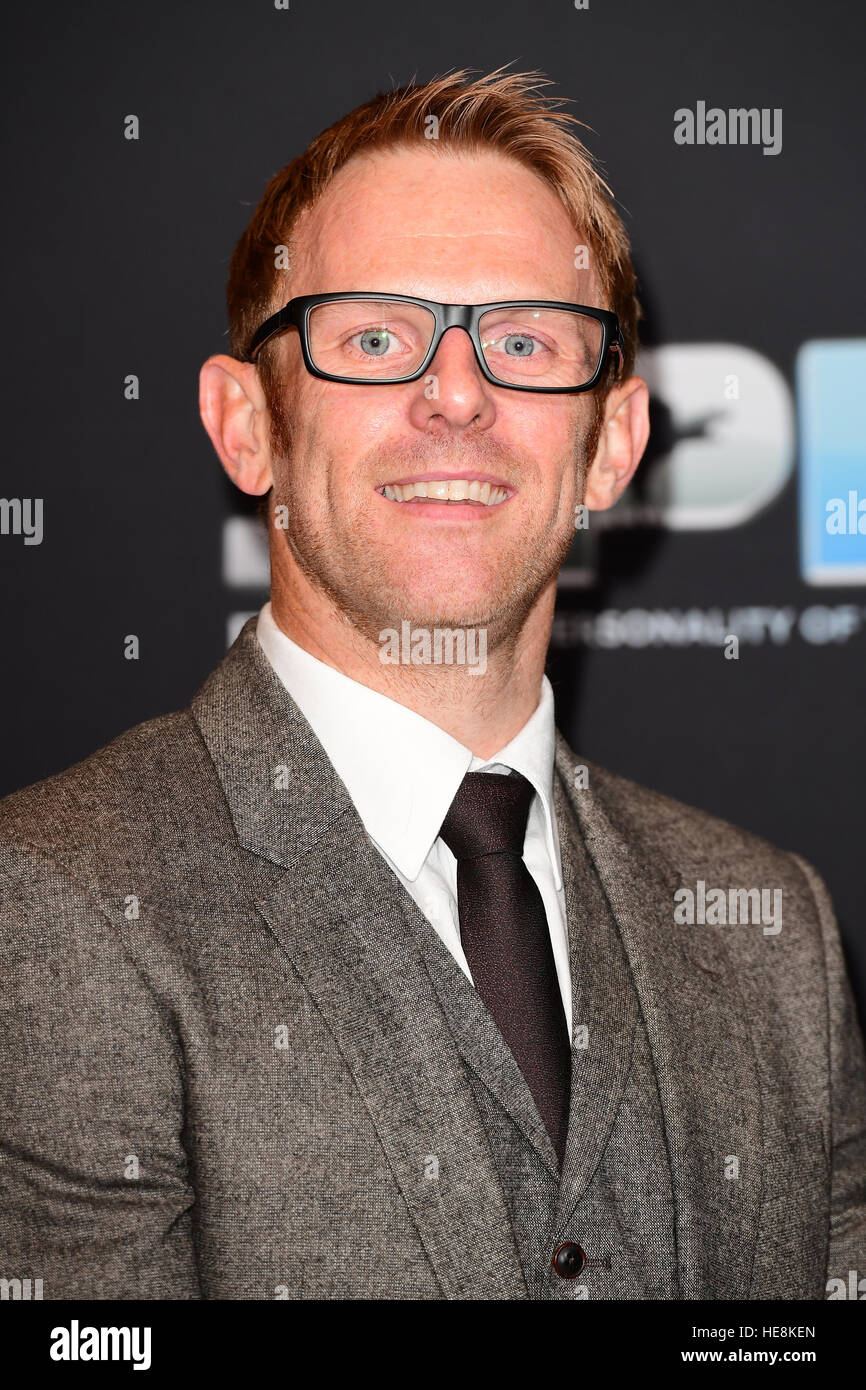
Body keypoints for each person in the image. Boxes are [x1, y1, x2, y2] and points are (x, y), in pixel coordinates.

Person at [1, 66, 863, 1301]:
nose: (454, 395)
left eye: (519, 341)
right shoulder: (50, 911)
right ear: (246, 426)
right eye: (374, 338)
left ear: (609, 445)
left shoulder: (769, 927)